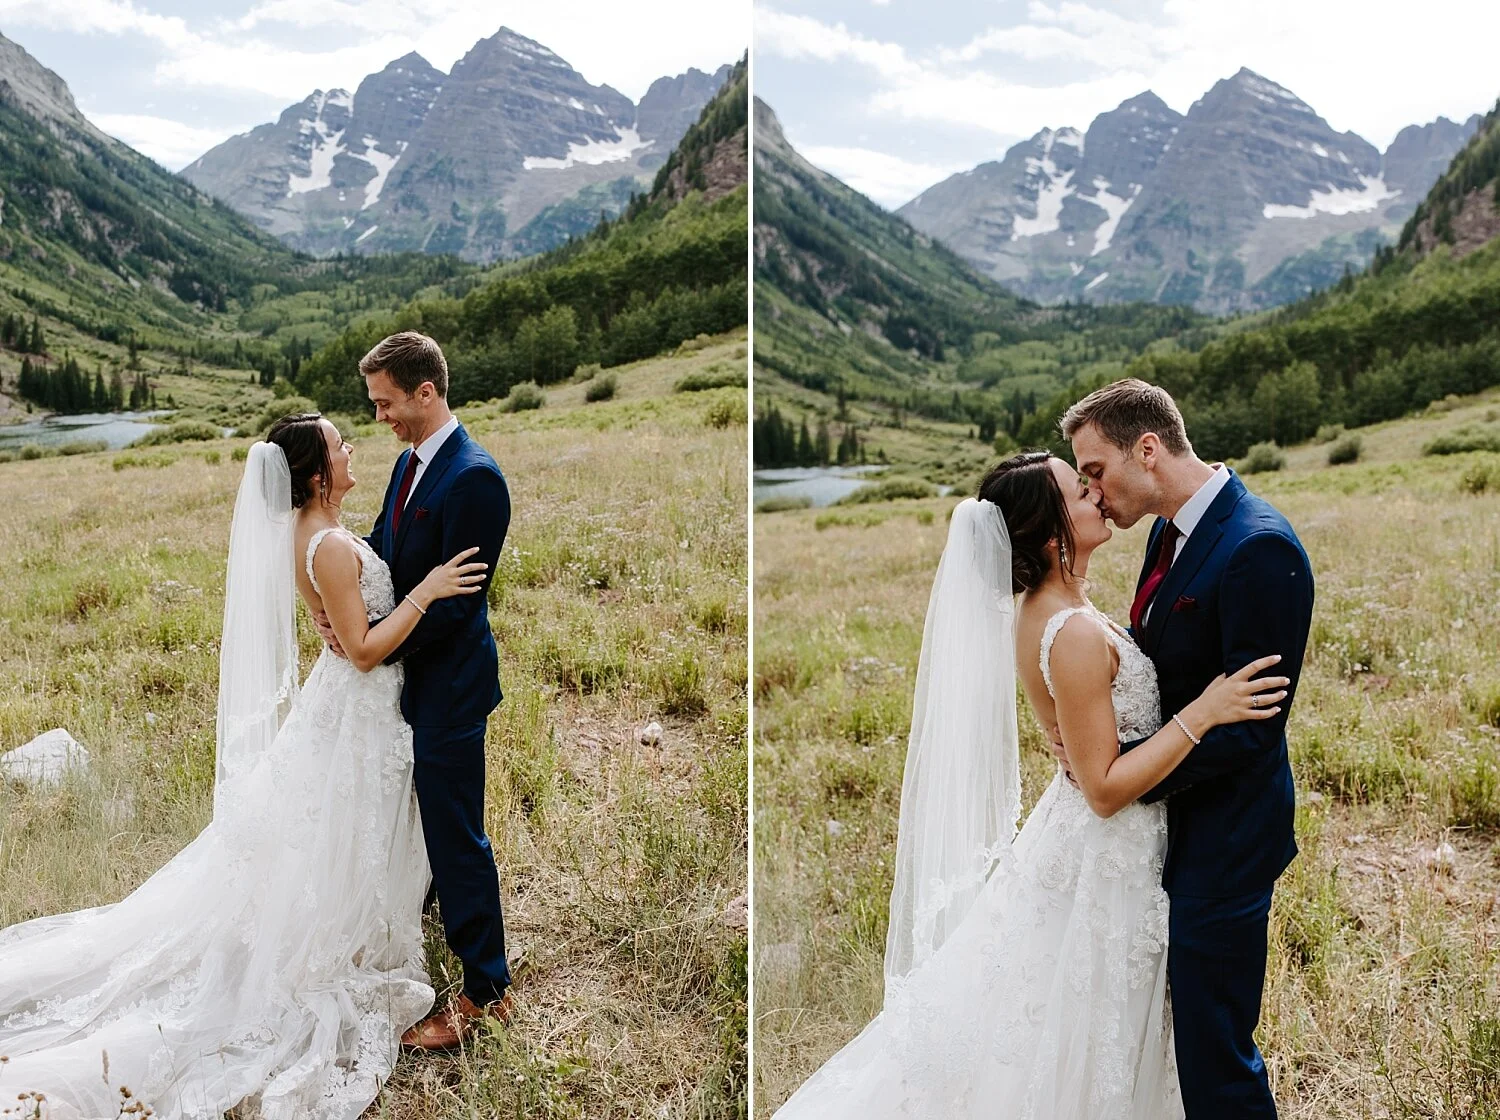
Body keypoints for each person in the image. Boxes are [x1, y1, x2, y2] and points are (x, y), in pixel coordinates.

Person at [772, 447, 1291, 1119]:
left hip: (1110, 843)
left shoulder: (1060, 609)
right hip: (1106, 852)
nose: (1096, 494)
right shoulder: (1068, 630)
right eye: (1080, 490)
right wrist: (1203, 712)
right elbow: (1102, 790)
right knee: (1082, 1035)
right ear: (1051, 535)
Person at [0, 413, 486, 1119]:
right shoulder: (325, 544)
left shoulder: (314, 532)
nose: (352, 449)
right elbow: (361, 650)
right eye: (340, 446)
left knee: (336, 830)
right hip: (359, 706)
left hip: (351, 708)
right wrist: (427, 590)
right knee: (342, 827)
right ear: (316, 474)